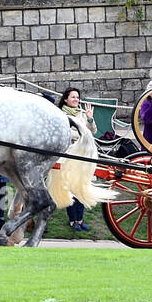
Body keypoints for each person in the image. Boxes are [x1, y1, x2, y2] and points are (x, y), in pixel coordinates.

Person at [59, 87, 98, 232]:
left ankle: (80, 220)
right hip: (69, 155)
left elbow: (92, 131)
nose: (76, 100)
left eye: (77, 97)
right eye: (73, 97)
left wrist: (89, 118)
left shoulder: (81, 114)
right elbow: (66, 133)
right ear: (66, 99)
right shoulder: (61, 114)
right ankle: (72, 220)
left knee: (81, 187)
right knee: (71, 188)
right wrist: (78, 136)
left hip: (82, 155)